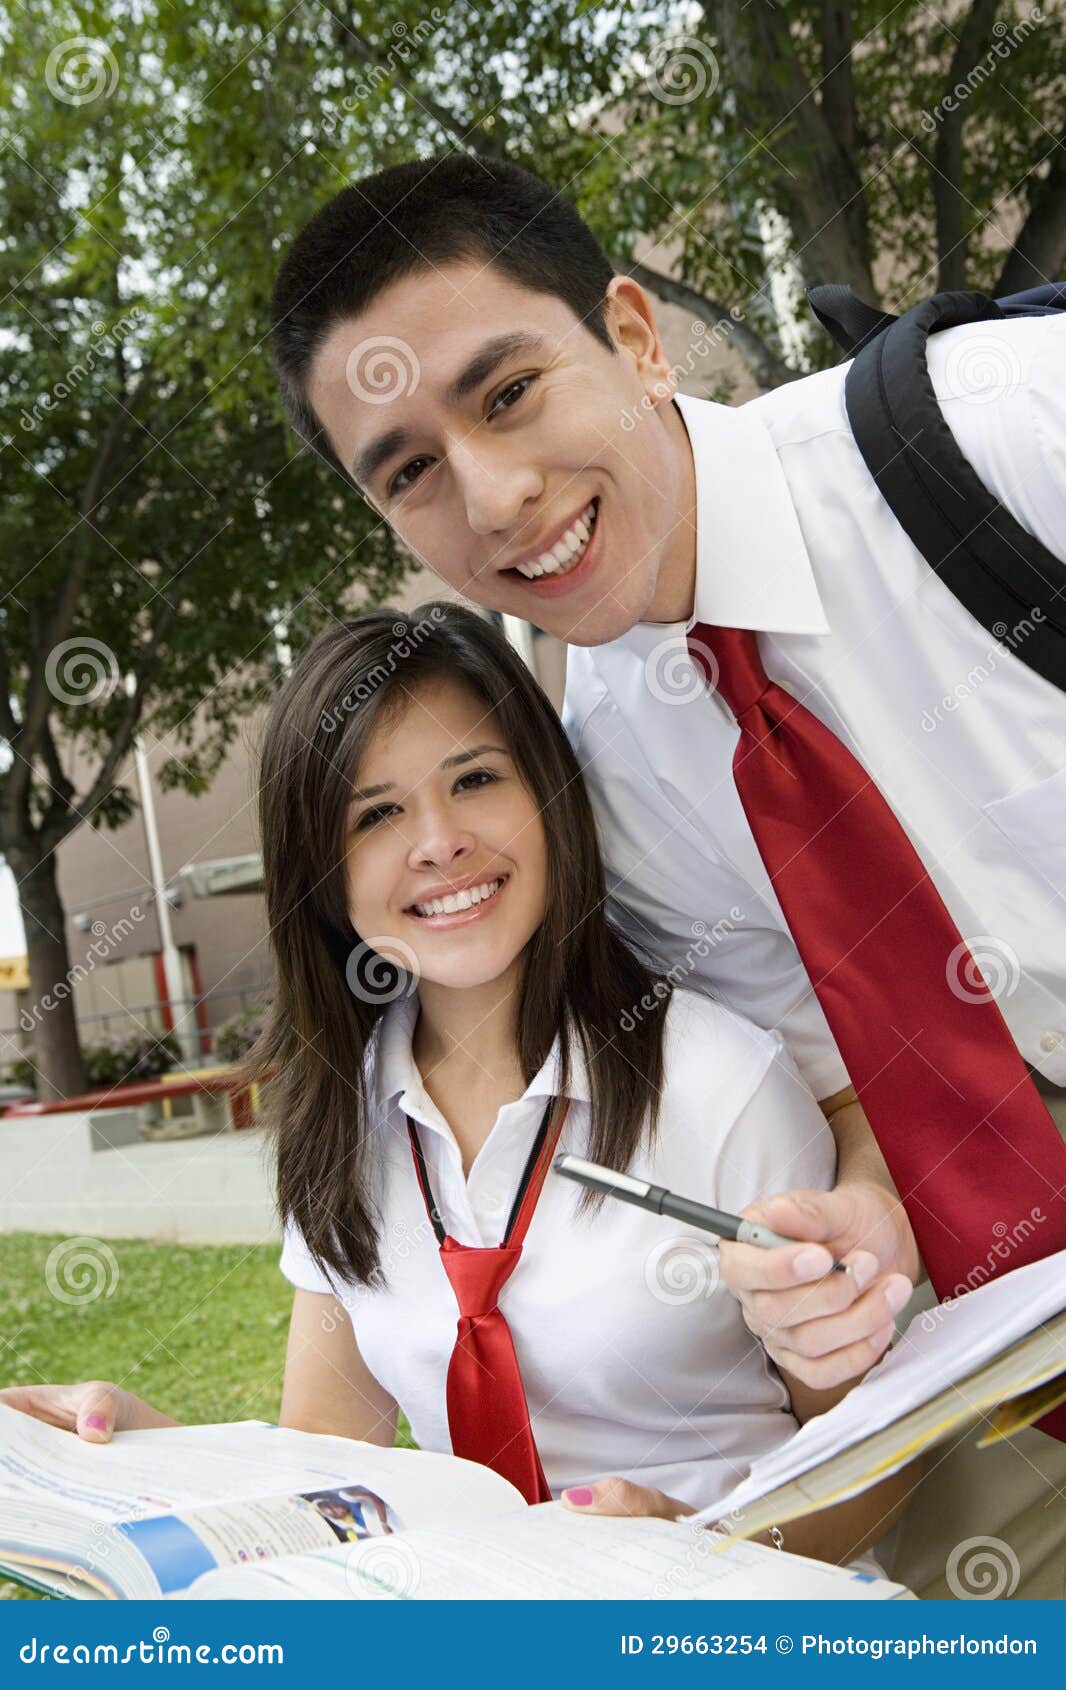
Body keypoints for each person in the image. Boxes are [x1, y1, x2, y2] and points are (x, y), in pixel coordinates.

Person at [265, 151, 1066, 1400]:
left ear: (636, 337)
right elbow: (858, 1091)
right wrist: (867, 1230)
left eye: (510, 391)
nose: (494, 497)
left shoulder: (1008, 425)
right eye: (409, 471)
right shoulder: (615, 783)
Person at [0, 605, 914, 1568]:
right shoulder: (339, 1122)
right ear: (324, 874)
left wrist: (705, 1548)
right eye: (377, 813)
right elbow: (329, 1465)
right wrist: (151, 1444)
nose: (438, 843)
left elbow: (879, 1467)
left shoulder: (721, 1081)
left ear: (549, 800)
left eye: (475, 780)